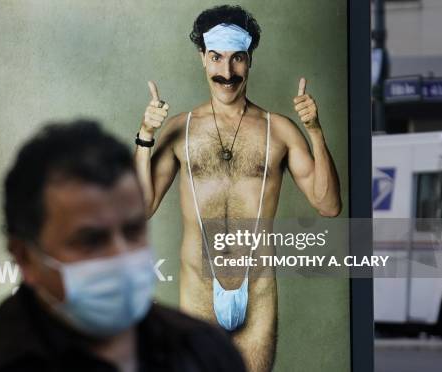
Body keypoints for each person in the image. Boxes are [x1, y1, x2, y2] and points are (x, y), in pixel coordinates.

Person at [0, 120, 246, 372]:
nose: (120, 255)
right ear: (24, 258)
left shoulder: (205, 353)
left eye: (133, 231)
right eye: (91, 241)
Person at [134, 5, 341, 372]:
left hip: (257, 292)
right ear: (202, 58)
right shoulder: (180, 130)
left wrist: (314, 130)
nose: (226, 72)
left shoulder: (279, 130)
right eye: (216, 58)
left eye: (237, 59)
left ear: (250, 61)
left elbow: (328, 205)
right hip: (198, 292)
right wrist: (145, 138)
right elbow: (141, 207)